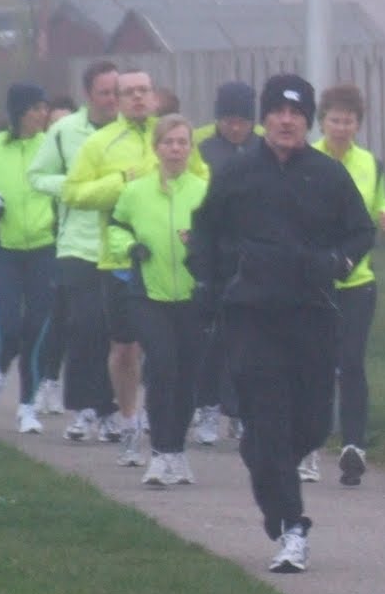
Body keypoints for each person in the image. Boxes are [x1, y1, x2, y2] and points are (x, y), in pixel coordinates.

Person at [186, 74, 374, 572]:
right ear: (264, 118)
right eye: (277, 112)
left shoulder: (328, 175)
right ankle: (292, 527)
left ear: (307, 121)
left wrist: (336, 262)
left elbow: (361, 231)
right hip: (251, 316)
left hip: (312, 313)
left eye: (296, 113)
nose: (286, 121)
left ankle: (265, 461)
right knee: (269, 419)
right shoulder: (238, 173)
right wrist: (210, 283)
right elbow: (204, 231)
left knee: (311, 424)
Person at [62, 67, 167, 461]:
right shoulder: (100, 143)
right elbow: (73, 193)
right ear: (118, 101)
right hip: (119, 260)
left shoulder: (171, 136)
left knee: (165, 348)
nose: (138, 97)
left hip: (168, 260)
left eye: (144, 90)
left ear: (154, 96)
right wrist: (122, 181)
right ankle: (128, 421)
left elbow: (200, 183)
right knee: (124, 349)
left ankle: (163, 423)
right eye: (129, 92)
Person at [107, 114, 207, 488]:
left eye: (182, 142)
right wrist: (131, 247)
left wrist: (200, 247)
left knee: (186, 373)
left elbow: (221, 237)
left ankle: (177, 450)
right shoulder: (136, 192)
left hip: (193, 296)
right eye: (169, 142)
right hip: (149, 293)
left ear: (191, 148)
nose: (175, 149)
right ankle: (161, 452)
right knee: (162, 365)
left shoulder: (204, 191)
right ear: (156, 148)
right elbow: (115, 229)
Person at [302, 82, 385, 486]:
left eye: (349, 121)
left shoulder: (370, 163)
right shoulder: (305, 160)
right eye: (335, 120)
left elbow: (378, 204)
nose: (341, 127)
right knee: (315, 363)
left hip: (358, 279)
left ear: (358, 124)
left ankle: (354, 446)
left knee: (352, 362)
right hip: (313, 281)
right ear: (322, 122)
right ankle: (307, 446)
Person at [27, 61, 120, 440]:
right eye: (104, 92)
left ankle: (111, 408)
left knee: (115, 330)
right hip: (77, 244)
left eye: (116, 91)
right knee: (85, 325)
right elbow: (36, 176)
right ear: (88, 95)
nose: (112, 99)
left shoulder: (131, 132)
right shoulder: (65, 131)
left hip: (121, 243)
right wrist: (74, 187)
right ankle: (87, 408)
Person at [0, 83, 57, 433]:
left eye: (44, 107)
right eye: (36, 108)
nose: (43, 114)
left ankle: (27, 408)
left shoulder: (51, 145)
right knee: (9, 328)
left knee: (36, 329)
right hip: (3, 250)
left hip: (44, 248)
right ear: (19, 111)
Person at [189, 81, 261, 446]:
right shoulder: (203, 151)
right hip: (216, 255)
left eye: (242, 121)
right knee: (212, 338)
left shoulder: (263, 149)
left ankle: (240, 409)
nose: (235, 128)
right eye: (229, 120)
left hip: (253, 255)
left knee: (248, 338)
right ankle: (207, 405)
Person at [31, 94, 80, 416]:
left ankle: (61, 383)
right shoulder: (42, 160)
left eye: (65, 122)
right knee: (53, 317)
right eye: (54, 123)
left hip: (75, 247)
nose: (59, 129)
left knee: (73, 319)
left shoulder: (83, 159)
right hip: (45, 246)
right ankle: (46, 381)